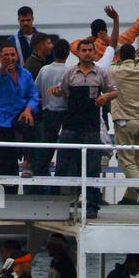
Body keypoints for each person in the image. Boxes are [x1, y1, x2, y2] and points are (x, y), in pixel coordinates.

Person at [55, 37, 118, 218]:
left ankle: (92, 205)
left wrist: (105, 98)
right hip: (70, 125)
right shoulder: (69, 73)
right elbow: (62, 91)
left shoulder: (100, 73)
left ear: (95, 52)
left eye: (90, 50)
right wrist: (56, 91)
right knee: (66, 164)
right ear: (79, 53)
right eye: (84, 50)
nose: (87, 53)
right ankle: (65, 202)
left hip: (91, 127)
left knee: (92, 166)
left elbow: (114, 91)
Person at [0, 44, 39, 182]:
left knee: (33, 124)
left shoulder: (25, 73)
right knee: (4, 160)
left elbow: (33, 95)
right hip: (1, 120)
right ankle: (4, 191)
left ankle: (28, 162)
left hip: (20, 116)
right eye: (6, 55)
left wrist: (28, 109)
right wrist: (3, 66)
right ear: (0, 58)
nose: (10, 58)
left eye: (12, 55)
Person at [111, 43, 139, 205]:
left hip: (124, 121)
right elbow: (138, 62)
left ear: (119, 57)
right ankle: (131, 197)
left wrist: (117, 59)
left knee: (125, 160)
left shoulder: (115, 71)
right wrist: (136, 58)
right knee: (137, 160)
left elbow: (111, 65)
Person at [33, 40, 72, 181]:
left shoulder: (44, 70)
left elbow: (35, 90)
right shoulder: (70, 71)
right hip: (65, 115)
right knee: (65, 152)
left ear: (53, 53)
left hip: (48, 114)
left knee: (45, 151)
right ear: (68, 53)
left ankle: (39, 180)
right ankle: (60, 182)